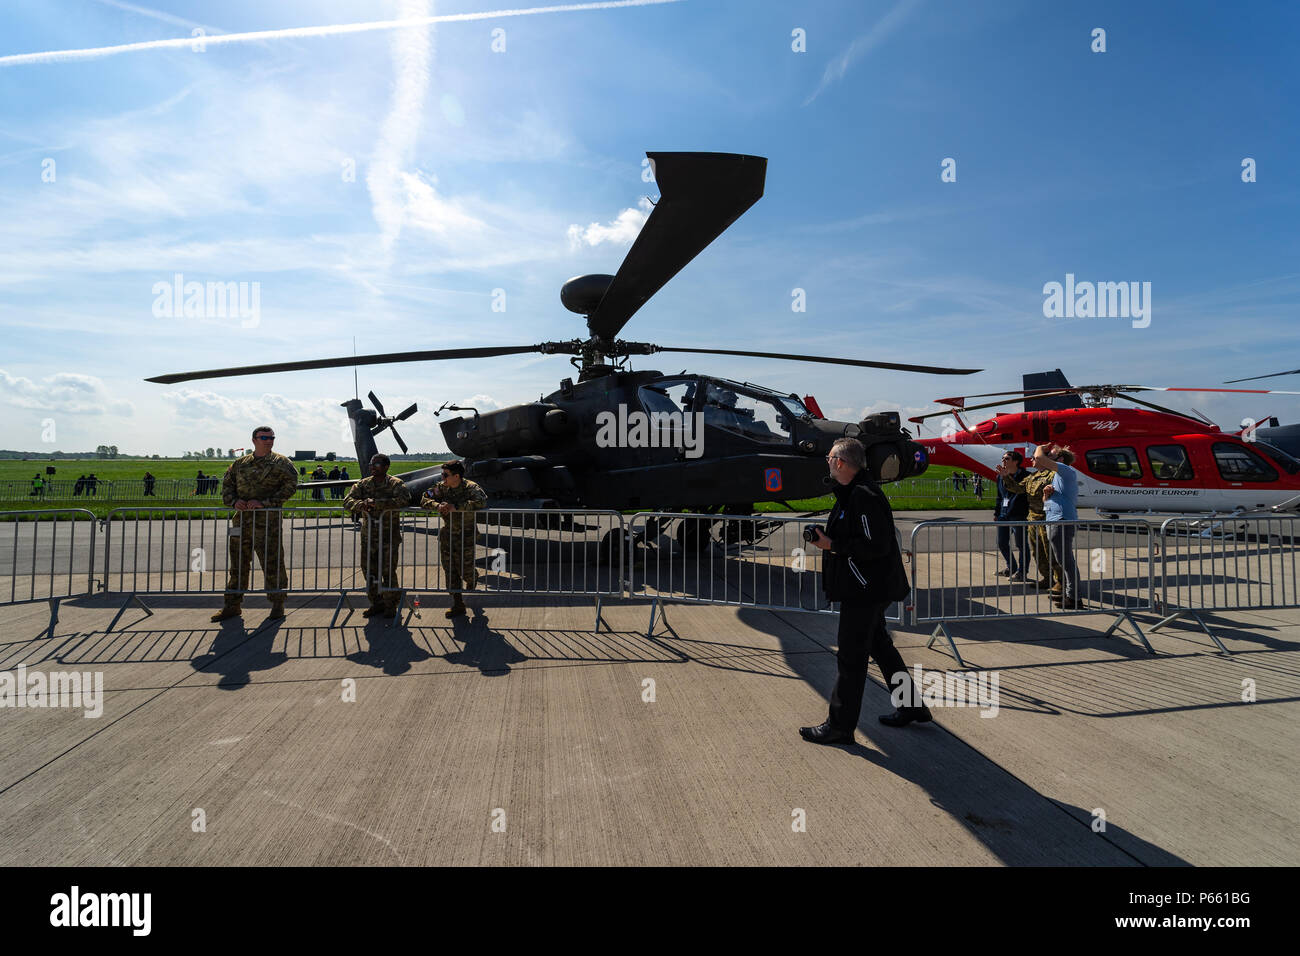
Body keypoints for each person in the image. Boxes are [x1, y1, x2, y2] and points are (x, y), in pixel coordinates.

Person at [799, 438, 930, 746]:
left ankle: (840, 727)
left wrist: (832, 545)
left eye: (830, 458)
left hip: (866, 590)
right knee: (880, 647)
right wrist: (830, 539)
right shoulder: (852, 494)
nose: (827, 462)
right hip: (867, 586)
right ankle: (911, 706)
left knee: (850, 657)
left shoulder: (864, 495)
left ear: (842, 463)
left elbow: (876, 546)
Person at [211, 426, 299, 622]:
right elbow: (227, 487)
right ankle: (232, 605)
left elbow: (290, 487)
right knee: (238, 564)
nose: (269, 440)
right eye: (264, 437)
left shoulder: (282, 463)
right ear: (254, 440)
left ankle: (277, 604)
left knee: (273, 563)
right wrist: (234, 502)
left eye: (272, 437)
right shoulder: (240, 464)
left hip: (268, 522)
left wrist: (265, 503)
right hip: (241, 521)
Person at [344, 454, 412, 617]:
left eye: (376, 464)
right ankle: (376, 603)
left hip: (389, 536)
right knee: (369, 571)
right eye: (371, 464)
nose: (372, 467)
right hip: (369, 537)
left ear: (386, 466)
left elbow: (404, 500)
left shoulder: (396, 484)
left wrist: (377, 503)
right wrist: (361, 504)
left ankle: (391, 605)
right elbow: (347, 501)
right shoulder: (363, 484)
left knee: (388, 571)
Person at [420, 460, 488, 618]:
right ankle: (458, 604)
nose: (442, 477)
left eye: (445, 475)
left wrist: (456, 507)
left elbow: (481, 502)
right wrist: (437, 506)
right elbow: (424, 498)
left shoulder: (470, 487)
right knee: (450, 570)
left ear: (456, 476)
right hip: (448, 535)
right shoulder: (442, 487)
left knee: (466, 569)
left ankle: (473, 577)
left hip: (467, 535)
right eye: (442, 474)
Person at [997, 455, 1061, 594]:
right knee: (1037, 552)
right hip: (1033, 519)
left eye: (1034, 458)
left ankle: (1060, 580)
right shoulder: (1032, 477)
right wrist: (1005, 477)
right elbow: (1017, 489)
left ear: (1042, 460)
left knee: (1050, 551)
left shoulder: (1053, 475)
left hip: (1047, 518)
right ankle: (1047, 577)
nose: (1031, 459)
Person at [1039, 444, 1083, 609]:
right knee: (1063, 561)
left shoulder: (1065, 470)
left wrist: (1039, 447)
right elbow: (1048, 503)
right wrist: (1046, 495)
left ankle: (1074, 598)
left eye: (1051, 455)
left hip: (1062, 521)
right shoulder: (1057, 476)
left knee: (1066, 562)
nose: (1047, 457)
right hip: (1054, 519)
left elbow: (1039, 457)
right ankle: (1071, 595)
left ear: (1061, 459)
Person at [993, 451, 1030, 580]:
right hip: (1004, 514)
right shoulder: (1000, 477)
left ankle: (1022, 571)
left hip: (1019, 515)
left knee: (1021, 544)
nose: (1004, 460)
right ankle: (1011, 567)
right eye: (1002, 458)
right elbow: (1000, 497)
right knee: (1002, 542)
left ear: (1016, 462)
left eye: (1007, 458)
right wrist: (997, 513)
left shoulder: (1026, 476)